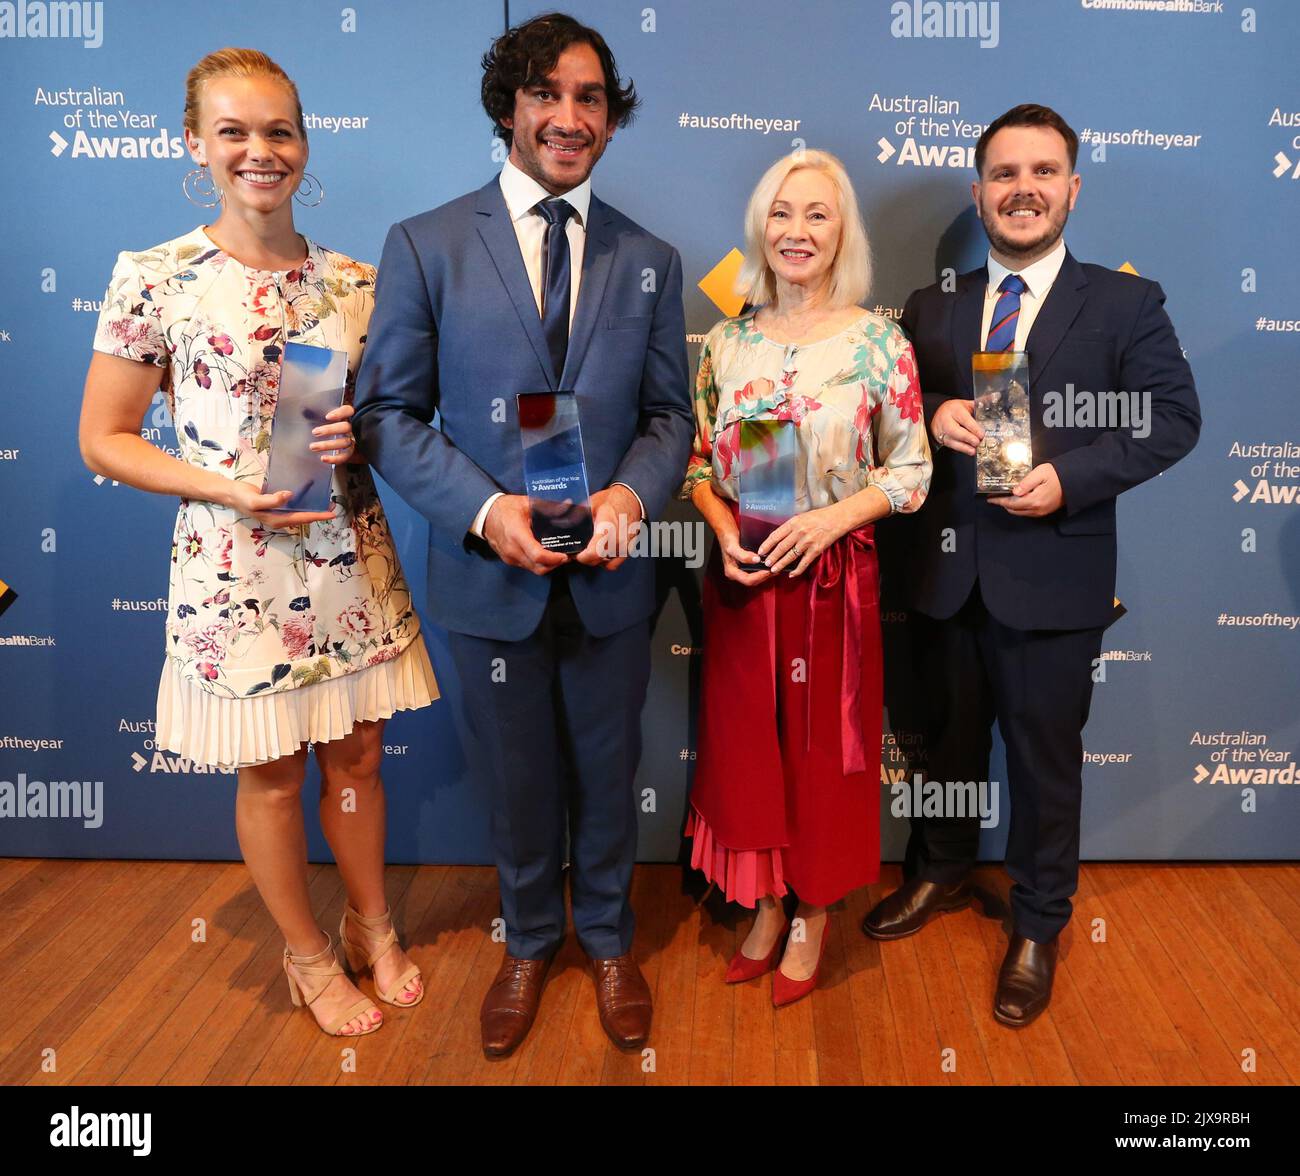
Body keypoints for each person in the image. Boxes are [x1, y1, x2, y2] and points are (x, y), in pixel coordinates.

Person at [80, 48, 438, 1038]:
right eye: (233, 131)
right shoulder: (155, 278)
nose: (258, 151)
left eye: (277, 130)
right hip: (234, 572)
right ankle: (306, 955)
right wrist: (223, 486)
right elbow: (102, 439)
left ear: (304, 143)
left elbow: (390, 422)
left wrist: (356, 430)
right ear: (194, 144)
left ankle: (373, 925)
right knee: (272, 772)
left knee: (358, 756)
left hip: (346, 561)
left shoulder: (358, 283)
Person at [352, 13, 692, 1057]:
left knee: (605, 764)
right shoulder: (426, 243)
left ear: (609, 118)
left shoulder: (650, 256)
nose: (568, 116)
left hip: (607, 576)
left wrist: (632, 499)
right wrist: (488, 510)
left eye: (590, 98)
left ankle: (605, 938)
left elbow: (670, 417)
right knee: (515, 778)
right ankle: (527, 941)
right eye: (547, 93)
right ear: (510, 105)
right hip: (485, 572)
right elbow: (386, 417)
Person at [867, 104, 1200, 1026]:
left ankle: (1039, 920)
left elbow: (1172, 420)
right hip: (941, 572)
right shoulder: (933, 306)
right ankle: (937, 872)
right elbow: (890, 410)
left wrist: (1071, 480)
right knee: (943, 745)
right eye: (1004, 173)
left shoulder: (1129, 303)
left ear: (1072, 188)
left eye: (1042, 172)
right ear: (978, 192)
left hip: (1055, 577)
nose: (1023, 189)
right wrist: (934, 410)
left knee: (1047, 762)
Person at [683, 150, 932, 1006]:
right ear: (762, 227)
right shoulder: (727, 342)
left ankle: (814, 913)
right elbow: (695, 462)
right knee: (752, 753)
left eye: (817, 215)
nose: (797, 231)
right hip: (748, 581)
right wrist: (720, 529)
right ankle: (765, 901)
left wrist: (828, 522)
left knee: (824, 758)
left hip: (833, 585)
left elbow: (911, 470)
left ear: (841, 232)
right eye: (783, 213)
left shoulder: (878, 343)